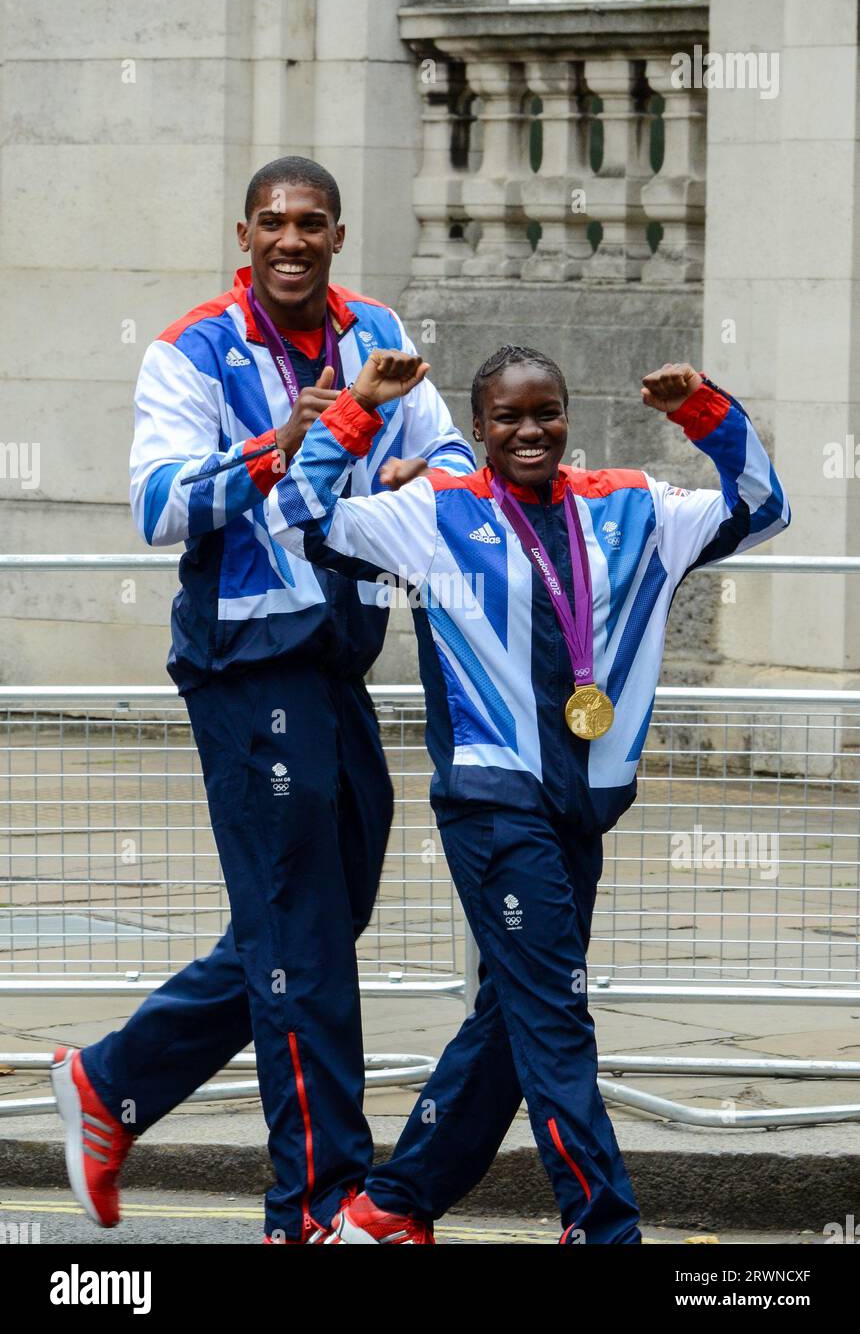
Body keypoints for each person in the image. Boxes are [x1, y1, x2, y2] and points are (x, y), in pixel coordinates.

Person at [264, 343, 791, 1244]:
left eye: (545, 411)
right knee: (555, 1018)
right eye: (507, 417)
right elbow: (296, 515)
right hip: (494, 806)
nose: (530, 430)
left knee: (514, 1013)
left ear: (567, 418)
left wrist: (703, 410)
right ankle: (602, 1224)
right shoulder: (436, 513)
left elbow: (764, 506)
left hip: (584, 806)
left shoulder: (634, 509)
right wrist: (355, 409)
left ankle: (393, 1205)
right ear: (478, 430)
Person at [50, 157, 475, 1244]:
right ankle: (317, 1205)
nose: (291, 239)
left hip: (338, 654)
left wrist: (407, 482)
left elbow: (455, 454)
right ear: (244, 235)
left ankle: (113, 1084)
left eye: (312, 224)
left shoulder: (375, 330)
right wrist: (278, 444)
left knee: (324, 916)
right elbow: (156, 504)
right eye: (272, 223)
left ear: (337, 236)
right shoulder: (193, 348)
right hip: (246, 660)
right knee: (303, 935)